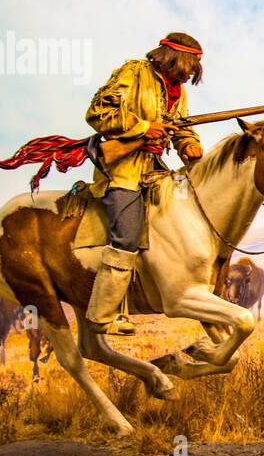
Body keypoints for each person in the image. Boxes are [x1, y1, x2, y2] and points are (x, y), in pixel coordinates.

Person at [83, 32, 205, 334]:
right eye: (191, 66)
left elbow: (180, 126)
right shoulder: (134, 72)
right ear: (176, 57)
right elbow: (98, 113)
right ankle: (106, 313)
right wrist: (143, 127)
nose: (191, 74)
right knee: (126, 235)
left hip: (155, 171)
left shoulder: (177, 91)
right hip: (123, 171)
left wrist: (188, 144)